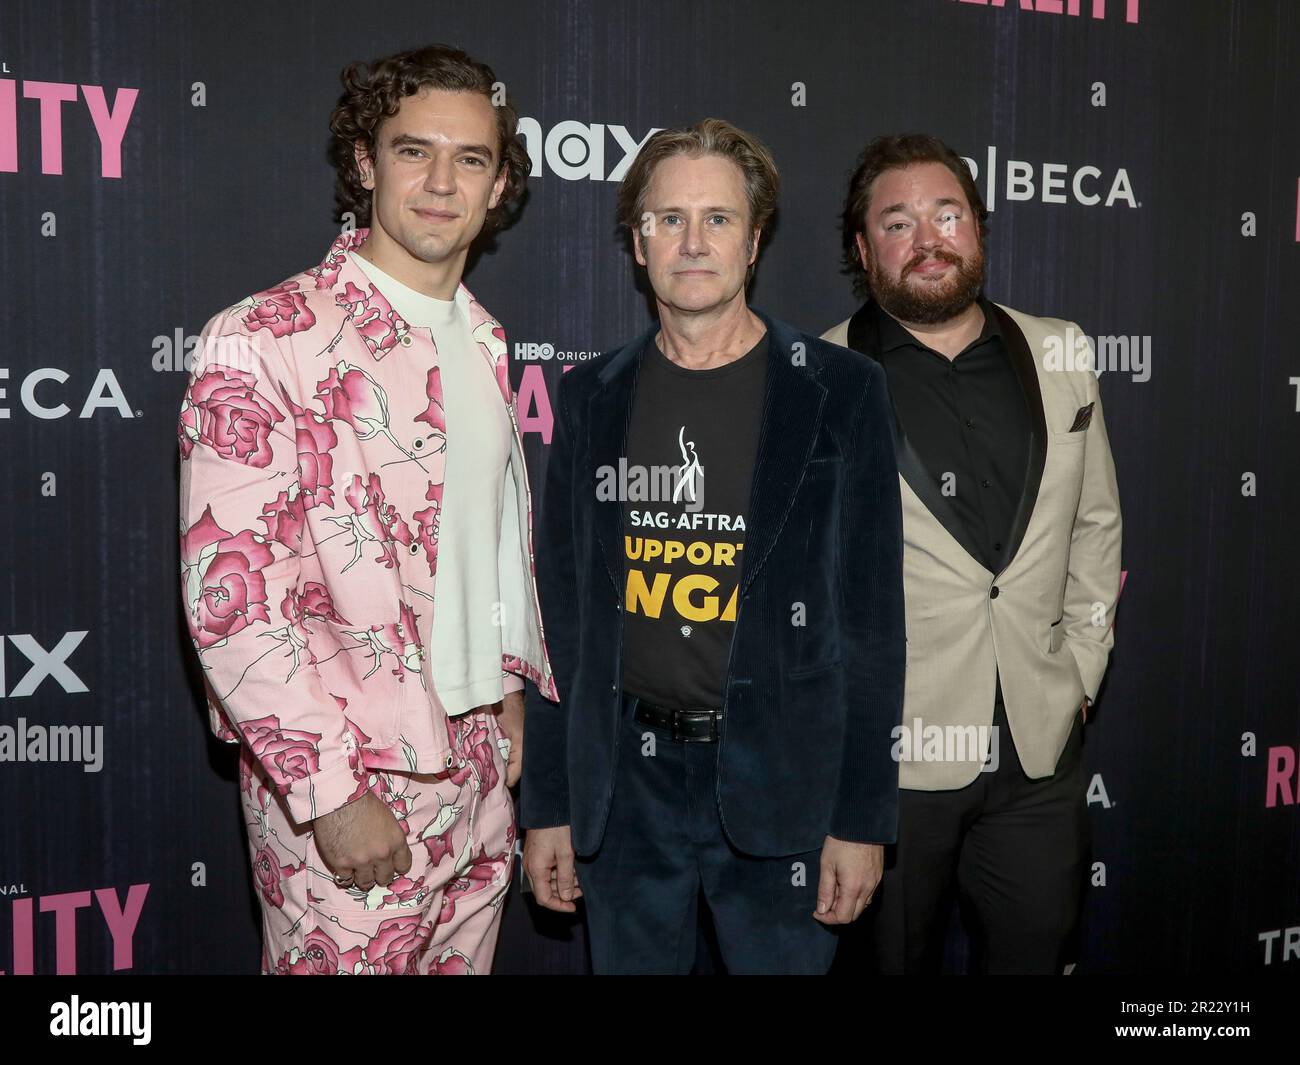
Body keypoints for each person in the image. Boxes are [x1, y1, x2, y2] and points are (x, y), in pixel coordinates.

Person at [177, 44, 554, 975]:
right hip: (349, 784)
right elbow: (233, 600)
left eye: (470, 159)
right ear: (364, 164)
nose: (440, 181)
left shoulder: (485, 339)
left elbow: (485, 544)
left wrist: (508, 692)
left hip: (477, 773)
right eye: (412, 150)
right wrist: (328, 789)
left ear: (499, 183)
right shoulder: (264, 339)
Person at [521, 118, 906, 974]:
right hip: (626, 798)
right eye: (669, 219)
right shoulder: (589, 398)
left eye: (719, 219)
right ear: (637, 239)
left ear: (755, 237)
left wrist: (862, 817)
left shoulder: (841, 391)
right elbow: (561, 616)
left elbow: (874, 623)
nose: (693, 242)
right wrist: (547, 801)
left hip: (787, 788)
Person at [822, 133, 1122, 974]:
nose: (928, 239)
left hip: (1038, 750)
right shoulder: (818, 373)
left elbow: (1096, 526)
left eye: (947, 214)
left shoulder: (1062, 351)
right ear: (862, 248)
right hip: (893, 761)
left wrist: (1082, 670)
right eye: (897, 222)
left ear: (980, 229)